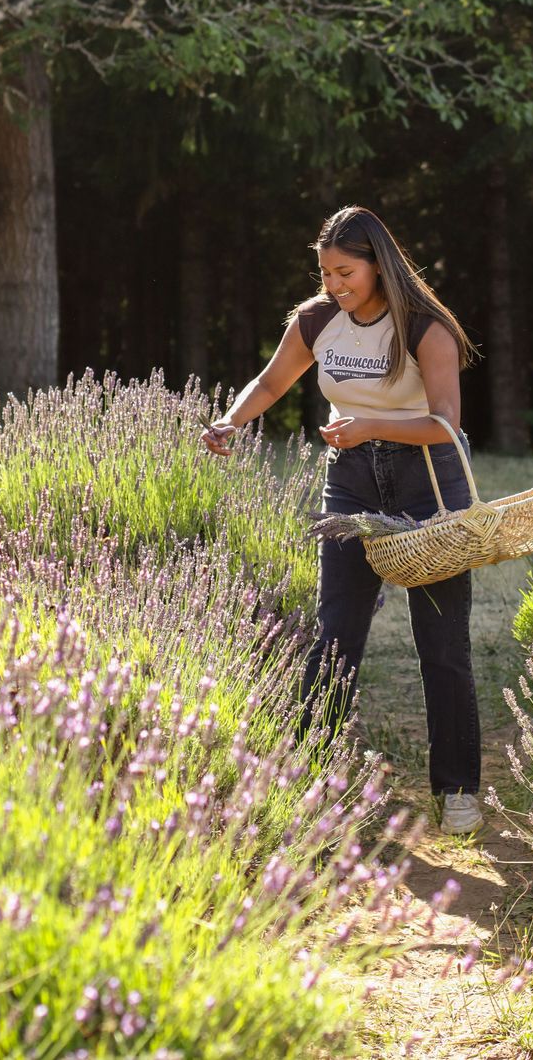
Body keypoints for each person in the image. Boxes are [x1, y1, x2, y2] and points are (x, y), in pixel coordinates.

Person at [201, 204, 484, 835]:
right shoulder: (317, 319)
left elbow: (446, 423)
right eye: (326, 273)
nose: (334, 284)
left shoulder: (427, 327)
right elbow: (269, 384)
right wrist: (231, 421)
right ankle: (310, 782)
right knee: (335, 632)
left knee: (442, 641)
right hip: (351, 479)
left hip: (428, 480)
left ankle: (459, 791)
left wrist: (371, 426)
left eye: (345, 273)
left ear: (377, 265)